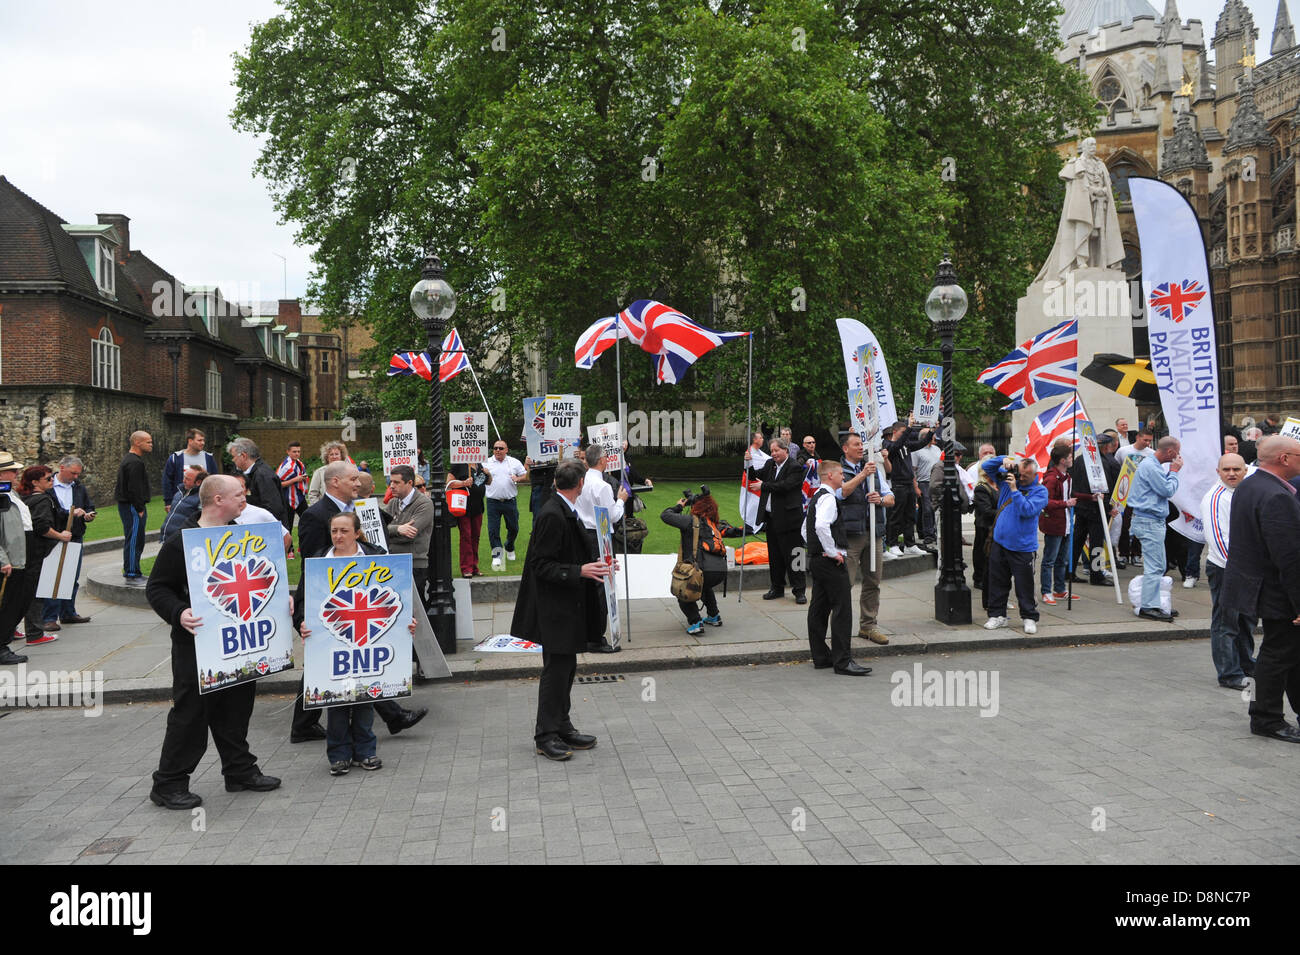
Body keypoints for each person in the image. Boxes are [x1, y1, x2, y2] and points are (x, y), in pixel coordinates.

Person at [146, 474, 281, 809]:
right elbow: (157, 587)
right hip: (197, 643)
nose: (244, 498)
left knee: (236, 708)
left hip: (238, 641)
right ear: (218, 499)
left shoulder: (242, 536)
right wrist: (179, 612)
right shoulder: (183, 541)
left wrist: (279, 600)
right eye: (238, 494)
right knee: (191, 713)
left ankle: (239, 771)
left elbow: (262, 576)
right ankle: (168, 783)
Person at [290, 461, 427, 743]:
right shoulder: (315, 516)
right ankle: (389, 717)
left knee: (341, 660)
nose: (359, 483)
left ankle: (305, 724)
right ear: (335, 482)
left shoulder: (362, 509)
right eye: (352, 479)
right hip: (334, 601)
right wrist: (308, 612)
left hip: (362, 592)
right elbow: (314, 565)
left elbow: (375, 545)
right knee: (334, 660)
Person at [296, 512, 420, 775]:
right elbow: (302, 600)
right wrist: (301, 623)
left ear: (356, 533)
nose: (338, 536)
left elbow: (394, 597)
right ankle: (339, 754)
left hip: (368, 642)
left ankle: (366, 750)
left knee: (365, 697)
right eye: (334, 531)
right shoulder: (319, 560)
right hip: (332, 641)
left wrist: (405, 624)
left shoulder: (375, 557)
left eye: (343, 531)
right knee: (337, 700)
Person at [511, 459, 613, 761]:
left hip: (566, 606)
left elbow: (572, 553)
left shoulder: (563, 509)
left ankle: (562, 725)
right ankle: (545, 735)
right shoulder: (553, 515)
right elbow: (541, 565)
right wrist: (579, 571)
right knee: (555, 671)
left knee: (566, 668)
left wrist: (598, 566)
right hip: (552, 609)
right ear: (580, 484)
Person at [1222, 436, 1300, 742]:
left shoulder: (1250, 485)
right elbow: (1290, 556)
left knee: (1288, 652)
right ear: (1284, 458)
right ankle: (1266, 718)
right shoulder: (1275, 495)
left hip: (1259, 586)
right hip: (1276, 590)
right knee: (1277, 655)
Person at [804, 460, 872, 676]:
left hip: (817, 559)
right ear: (830, 476)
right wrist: (833, 552)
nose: (843, 477)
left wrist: (816, 549)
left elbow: (805, 530)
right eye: (841, 474)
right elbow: (821, 526)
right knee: (842, 610)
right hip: (830, 561)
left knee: (819, 608)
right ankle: (843, 661)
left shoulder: (816, 497)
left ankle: (821, 656)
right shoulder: (829, 499)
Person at [1200, 453, 1256, 690]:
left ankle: (1246, 664)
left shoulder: (1243, 492)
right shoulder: (1215, 498)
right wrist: (1239, 570)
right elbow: (1219, 541)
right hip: (1227, 569)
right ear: (1218, 472)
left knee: (1245, 621)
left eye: (1236, 469)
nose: (1231, 474)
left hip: (1246, 568)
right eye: (1226, 470)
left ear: (1245, 470)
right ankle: (1229, 672)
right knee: (1226, 622)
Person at [982, 455, 1049, 634]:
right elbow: (987, 466)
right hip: (1000, 543)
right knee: (997, 581)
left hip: (1023, 547)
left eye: (1024, 476)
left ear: (1034, 475)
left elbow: (1027, 510)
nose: (1020, 478)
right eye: (1018, 473)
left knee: (1024, 585)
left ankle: (1029, 617)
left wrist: (1014, 490)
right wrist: (1004, 459)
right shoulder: (1009, 478)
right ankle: (997, 615)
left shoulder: (1040, 491)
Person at [661, 489, 742, 634]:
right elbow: (731, 531)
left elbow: (665, 515)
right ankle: (714, 616)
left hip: (701, 568)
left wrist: (679, 506)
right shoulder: (714, 524)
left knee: (683, 589)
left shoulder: (690, 521)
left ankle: (695, 622)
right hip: (720, 571)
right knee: (704, 585)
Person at [839, 433, 894, 644]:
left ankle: (868, 626)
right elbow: (841, 493)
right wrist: (863, 475)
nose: (861, 447)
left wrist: (880, 499)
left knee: (873, 580)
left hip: (874, 533)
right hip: (851, 535)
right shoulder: (839, 470)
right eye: (856, 444)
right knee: (845, 583)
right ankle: (840, 626)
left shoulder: (875, 472)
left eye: (862, 444)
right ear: (845, 448)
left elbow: (891, 498)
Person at [576, 445, 628, 653]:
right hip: (599, 536)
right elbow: (612, 516)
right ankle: (596, 637)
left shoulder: (581, 480)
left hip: (584, 535)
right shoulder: (602, 486)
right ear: (602, 460)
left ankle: (587, 632)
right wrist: (621, 501)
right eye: (606, 457)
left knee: (588, 586)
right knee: (602, 588)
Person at [1128, 436, 1183, 622]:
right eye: (1177, 451)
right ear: (1170, 452)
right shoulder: (1151, 466)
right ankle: (1149, 606)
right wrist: (1174, 472)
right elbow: (1167, 490)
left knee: (1158, 564)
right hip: (1149, 521)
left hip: (1150, 520)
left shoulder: (1151, 465)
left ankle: (1154, 602)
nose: (1179, 455)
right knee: (1155, 566)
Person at [748, 437, 807, 604]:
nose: (773, 454)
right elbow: (754, 477)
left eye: (776, 450)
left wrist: (764, 486)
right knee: (775, 556)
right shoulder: (769, 465)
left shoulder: (795, 467)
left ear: (785, 450)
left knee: (795, 555)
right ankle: (777, 587)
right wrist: (748, 463)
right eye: (771, 451)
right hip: (772, 519)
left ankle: (799, 590)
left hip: (790, 520)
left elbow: (785, 486)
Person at [43, 455, 96, 627]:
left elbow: (89, 506)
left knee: (71, 575)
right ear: (62, 468)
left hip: (75, 535)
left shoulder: (78, 487)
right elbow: (51, 511)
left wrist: (88, 514)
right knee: (53, 577)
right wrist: (70, 514)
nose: (75, 477)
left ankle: (68, 612)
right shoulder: (49, 487)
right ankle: (49, 617)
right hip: (54, 535)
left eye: (77, 474)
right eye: (73, 473)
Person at [18, 466, 68, 646]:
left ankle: (12, 629)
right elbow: (42, 527)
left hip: (23, 551)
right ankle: (35, 633)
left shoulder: (21, 499)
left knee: (18, 592)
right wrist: (61, 535)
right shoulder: (42, 500)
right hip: (38, 552)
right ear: (35, 482)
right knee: (35, 594)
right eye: (48, 479)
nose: (52, 481)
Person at [1070, 432, 1120, 585]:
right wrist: (1110, 507)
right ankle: (1096, 574)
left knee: (1077, 540)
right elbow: (1110, 487)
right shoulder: (1107, 462)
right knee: (1096, 543)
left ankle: (1069, 570)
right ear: (1106, 447)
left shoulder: (1079, 460)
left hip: (1081, 507)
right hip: (1097, 508)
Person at [881, 417, 930, 557]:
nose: (905, 434)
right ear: (895, 431)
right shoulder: (887, 444)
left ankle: (910, 544)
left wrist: (931, 432)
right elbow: (896, 447)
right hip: (898, 484)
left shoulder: (906, 444)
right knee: (896, 515)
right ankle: (893, 543)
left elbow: (921, 443)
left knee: (910, 516)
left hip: (908, 483)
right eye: (903, 432)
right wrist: (909, 428)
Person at [385, 465, 434, 603]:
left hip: (414, 564)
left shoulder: (424, 504)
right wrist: (398, 529)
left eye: (396, 482)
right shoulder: (393, 502)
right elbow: (381, 529)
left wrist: (391, 531)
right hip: (393, 562)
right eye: (391, 482)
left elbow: (409, 534)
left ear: (410, 483)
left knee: (414, 608)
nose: (392, 486)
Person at [0, 452, 30, 665]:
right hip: (8, 562)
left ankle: (4, 642)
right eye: (11, 471)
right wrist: (2, 560)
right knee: (6, 606)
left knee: (17, 603)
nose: (16, 473)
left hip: (20, 558)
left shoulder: (9, 494)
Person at [481, 440, 528, 571]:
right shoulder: (486, 463)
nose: (497, 450)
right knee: (493, 530)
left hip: (509, 501)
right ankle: (497, 555)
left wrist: (518, 479)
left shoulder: (514, 462)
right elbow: (479, 480)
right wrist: (483, 473)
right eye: (495, 448)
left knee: (514, 528)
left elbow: (526, 475)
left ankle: (509, 545)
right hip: (493, 501)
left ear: (506, 450)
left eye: (501, 448)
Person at [1038, 445, 1077, 606]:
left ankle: (1059, 589)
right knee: (1050, 559)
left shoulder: (1066, 476)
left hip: (1066, 523)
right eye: (1070, 457)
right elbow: (1046, 502)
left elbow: (1071, 495)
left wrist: (1090, 497)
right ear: (1062, 460)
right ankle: (1046, 591)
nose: (1072, 459)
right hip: (1055, 524)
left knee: (1062, 559)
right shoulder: (1052, 478)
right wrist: (1065, 503)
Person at [114, 430, 152, 585]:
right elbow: (133, 488)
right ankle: (131, 572)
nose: (151, 445)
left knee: (135, 538)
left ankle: (134, 570)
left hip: (130, 506)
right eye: (148, 442)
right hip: (132, 507)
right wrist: (139, 507)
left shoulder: (131, 460)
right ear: (137, 442)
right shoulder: (134, 462)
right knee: (135, 538)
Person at [227, 437, 286, 524]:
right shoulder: (252, 473)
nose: (232, 460)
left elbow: (273, 508)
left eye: (233, 457)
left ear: (243, 456)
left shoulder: (263, 475)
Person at [448, 459, 490, 577]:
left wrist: (489, 474)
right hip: (463, 507)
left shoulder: (479, 465)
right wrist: (463, 483)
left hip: (478, 507)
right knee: (466, 536)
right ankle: (466, 568)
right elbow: (449, 483)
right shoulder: (459, 464)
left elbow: (488, 482)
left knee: (475, 537)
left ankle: (474, 566)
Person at [161, 429, 217, 513]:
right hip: (182, 502)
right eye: (199, 440)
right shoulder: (176, 458)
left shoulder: (208, 457)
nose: (203, 443)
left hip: (204, 503)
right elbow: (167, 481)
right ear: (190, 441)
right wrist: (168, 502)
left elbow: (215, 480)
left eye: (203, 440)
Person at [972, 453, 998, 601]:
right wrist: (1004, 512)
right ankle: (979, 578)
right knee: (982, 552)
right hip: (985, 526)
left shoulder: (997, 484)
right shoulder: (982, 488)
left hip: (995, 526)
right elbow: (986, 511)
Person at [912, 430, 942, 550]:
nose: (935, 440)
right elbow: (913, 470)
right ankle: (929, 534)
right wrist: (915, 486)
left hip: (935, 481)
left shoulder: (937, 449)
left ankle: (922, 531)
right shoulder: (917, 451)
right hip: (923, 482)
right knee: (928, 508)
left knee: (926, 508)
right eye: (933, 437)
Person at [276, 441, 309, 543]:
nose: (297, 454)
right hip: (288, 498)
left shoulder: (299, 463)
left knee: (307, 520)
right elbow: (277, 484)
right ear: (288, 452)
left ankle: (303, 544)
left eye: (298, 451)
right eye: (294, 451)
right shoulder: (286, 467)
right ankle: (289, 550)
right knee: (288, 525)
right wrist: (295, 480)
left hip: (300, 496)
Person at [160, 469, 205, 540]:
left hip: (181, 540)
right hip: (167, 538)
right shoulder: (179, 493)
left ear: (198, 482)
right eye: (184, 477)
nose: (184, 481)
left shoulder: (202, 499)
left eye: (188, 479)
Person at [308, 440, 351, 505]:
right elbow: (312, 494)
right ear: (327, 457)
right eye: (331, 454)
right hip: (325, 509)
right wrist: (318, 509)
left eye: (336, 454)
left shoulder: (349, 470)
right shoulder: (319, 472)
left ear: (341, 456)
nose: (334, 457)